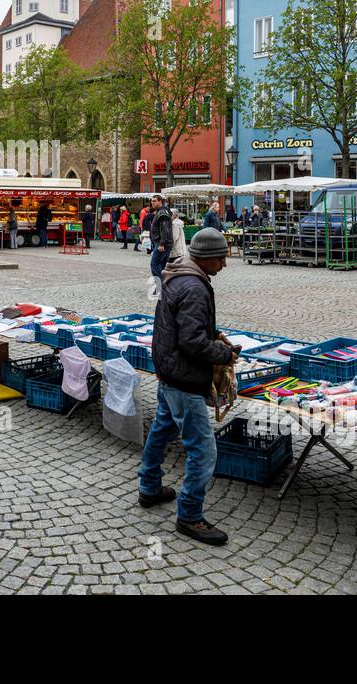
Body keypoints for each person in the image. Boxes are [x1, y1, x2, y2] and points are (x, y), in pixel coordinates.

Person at [137, 226, 236, 546]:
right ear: (206, 258)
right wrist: (223, 352)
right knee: (204, 452)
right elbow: (192, 340)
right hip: (183, 377)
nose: (224, 264)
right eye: (220, 258)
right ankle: (190, 515)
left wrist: (214, 332)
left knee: (162, 429)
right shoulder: (194, 287)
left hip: (168, 371)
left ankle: (149, 488)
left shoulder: (179, 275)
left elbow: (188, 322)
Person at [148, 194, 173, 280]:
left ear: (160, 201)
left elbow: (165, 229)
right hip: (162, 243)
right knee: (161, 266)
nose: (152, 203)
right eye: (152, 201)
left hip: (162, 244)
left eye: (154, 201)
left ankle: (161, 286)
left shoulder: (162, 212)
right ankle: (163, 287)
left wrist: (162, 244)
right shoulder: (161, 211)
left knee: (154, 264)